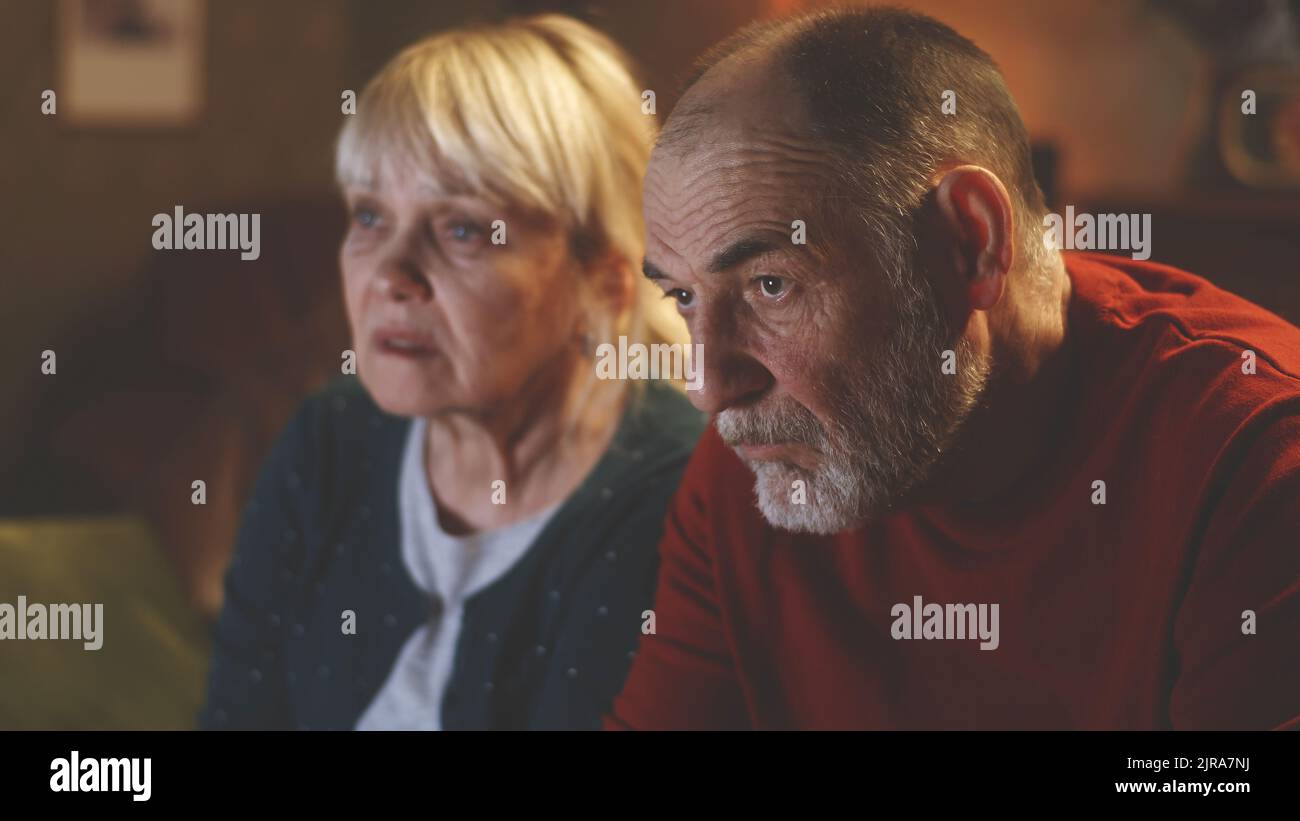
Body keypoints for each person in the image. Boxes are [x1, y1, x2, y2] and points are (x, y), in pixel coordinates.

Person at [609, 7, 1300, 729]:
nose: (710, 387)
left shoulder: (1255, 458)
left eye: (771, 285)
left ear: (970, 241)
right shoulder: (764, 461)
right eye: (683, 295)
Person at [200, 14, 703, 730]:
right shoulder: (331, 437)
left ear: (603, 289)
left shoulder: (677, 500)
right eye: (370, 216)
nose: (390, 273)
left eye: (463, 229)